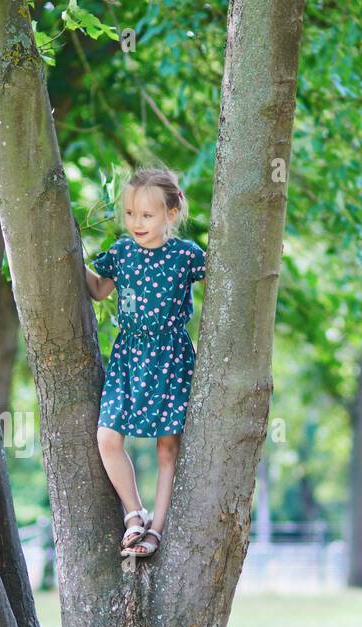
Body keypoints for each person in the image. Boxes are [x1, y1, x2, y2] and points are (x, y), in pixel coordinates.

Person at [85, 168, 207, 559]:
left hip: (171, 357)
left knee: (168, 448)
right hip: (129, 356)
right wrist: (68, 251)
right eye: (130, 214)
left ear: (171, 214)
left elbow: (222, 279)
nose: (137, 223)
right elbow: (99, 290)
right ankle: (134, 514)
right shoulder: (121, 252)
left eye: (147, 215)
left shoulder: (186, 255)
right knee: (107, 437)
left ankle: (156, 529)